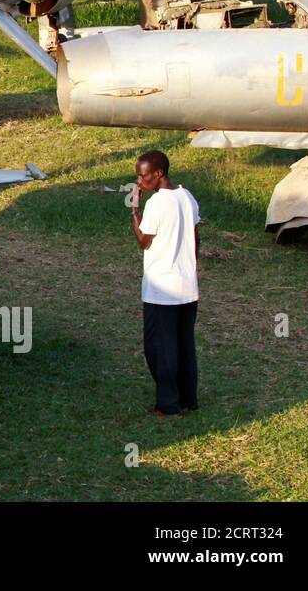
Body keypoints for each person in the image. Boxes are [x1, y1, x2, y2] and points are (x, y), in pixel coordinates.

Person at [130, 150, 200, 417]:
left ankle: (168, 403)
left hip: (162, 290)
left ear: (158, 173)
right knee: (184, 345)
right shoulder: (186, 196)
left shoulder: (157, 204)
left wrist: (135, 209)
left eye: (142, 174)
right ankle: (187, 398)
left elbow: (143, 240)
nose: (139, 180)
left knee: (159, 348)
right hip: (187, 287)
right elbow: (195, 237)